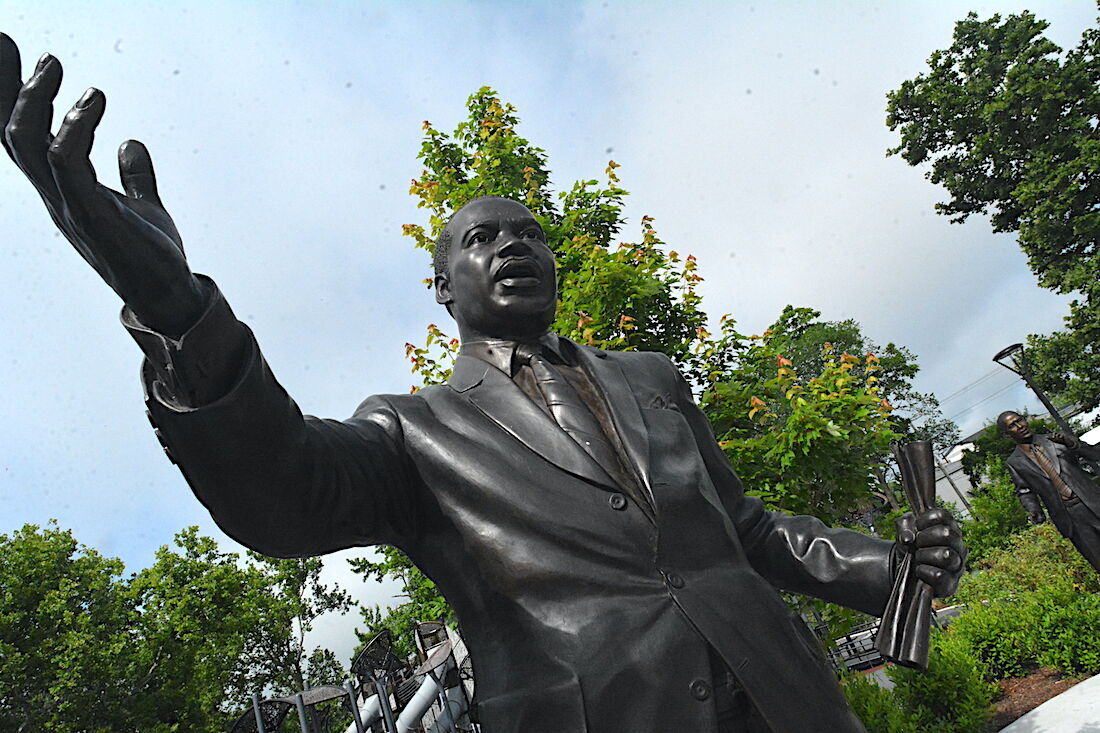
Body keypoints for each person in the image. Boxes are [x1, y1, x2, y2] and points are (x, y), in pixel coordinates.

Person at [1, 36, 967, 732]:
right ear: (442, 286)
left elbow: (748, 532)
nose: (513, 244)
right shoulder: (412, 432)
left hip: (784, 697)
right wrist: (175, 308)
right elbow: (280, 494)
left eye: (530, 231)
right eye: (481, 236)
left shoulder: (655, 379)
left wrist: (891, 564)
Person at [998, 410, 1100, 572]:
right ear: (1006, 435)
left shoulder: (1055, 440)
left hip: (1093, 501)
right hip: (1070, 517)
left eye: (1020, 420)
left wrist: (1071, 443)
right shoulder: (1014, 462)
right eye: (1013, 426)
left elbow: (1095, 454)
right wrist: (1033, 510)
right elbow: (1025, 491)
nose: (1020, 426)